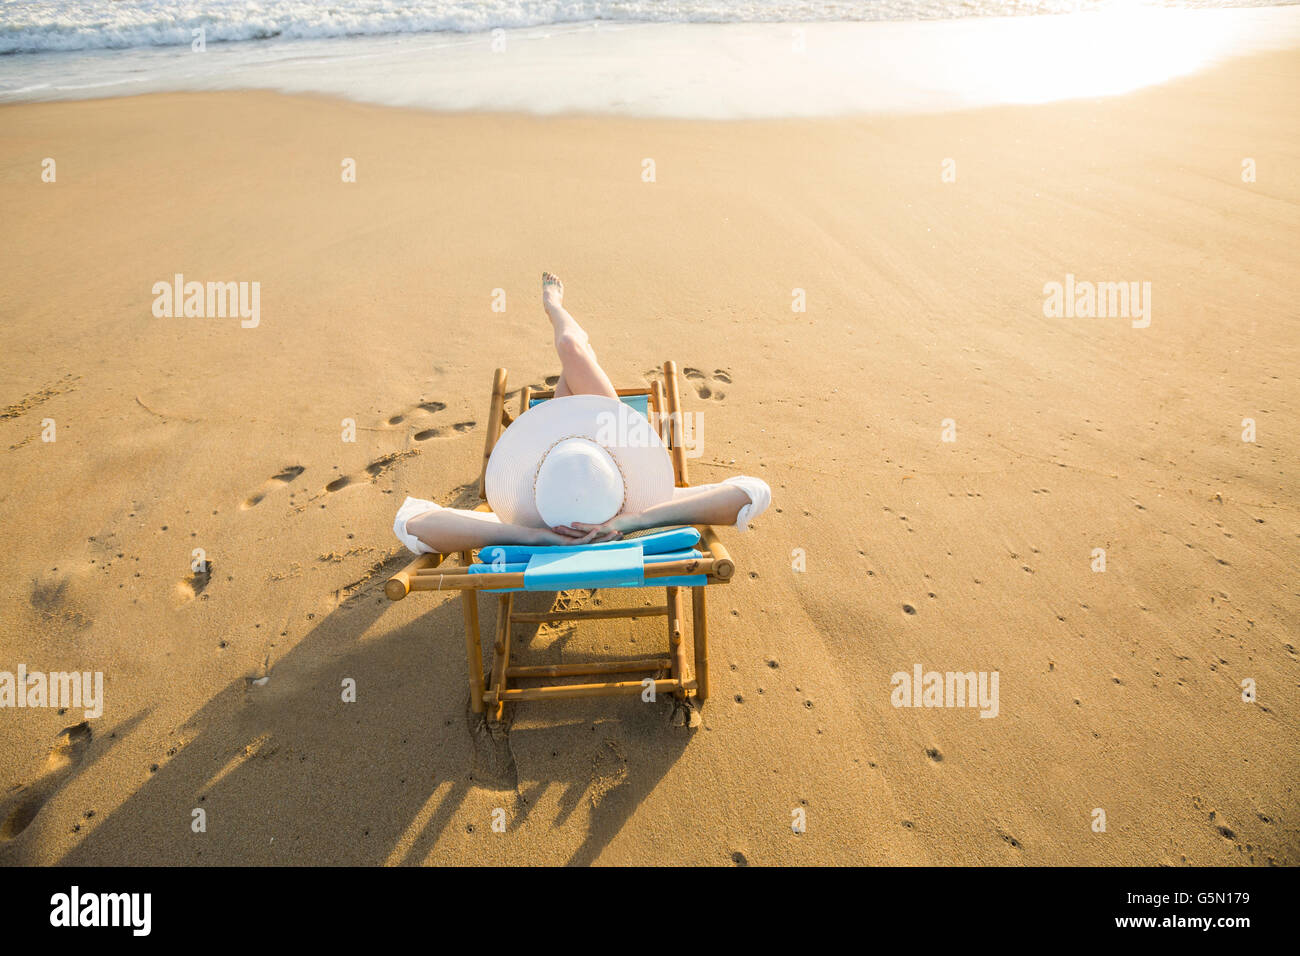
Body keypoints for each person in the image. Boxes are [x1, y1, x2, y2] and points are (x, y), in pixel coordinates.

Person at [394, 273, 770, 556]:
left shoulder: (538, 515)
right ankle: (561, 320)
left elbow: (410, 522)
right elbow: (755, 491)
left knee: (572, 351)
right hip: (613, 456)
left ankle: (558, 315)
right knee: (572, 349)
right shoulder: (650, 504)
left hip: (560, 498)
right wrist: (634, 520)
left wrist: (532, 534)